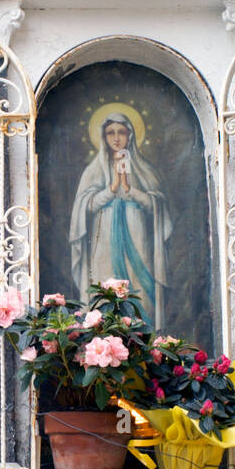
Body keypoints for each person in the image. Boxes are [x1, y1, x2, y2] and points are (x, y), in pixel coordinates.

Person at [69, 111, 172, 327]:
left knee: (140, 286)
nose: (116, 138)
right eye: (110, 133)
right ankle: (104, 339)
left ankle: (146, 339)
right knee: (104, 288)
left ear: (131, 135)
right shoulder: (94, 170)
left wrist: (129, 189)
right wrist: (112, 188)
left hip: (137, 235)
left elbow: (157, 205)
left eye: (121, 132)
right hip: (103, 237)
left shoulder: (144, 169)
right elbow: (85, 206)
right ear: (103, 137)